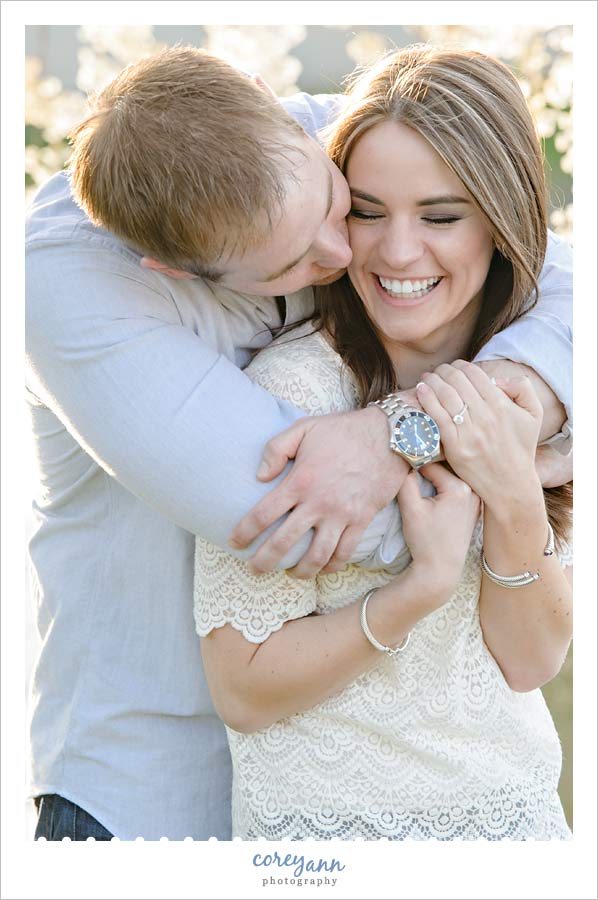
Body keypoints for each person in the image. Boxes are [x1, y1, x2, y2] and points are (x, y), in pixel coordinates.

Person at [26, 47, 572, 841]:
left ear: (269, 99)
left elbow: (550, 265)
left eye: (334, 205)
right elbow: (310, 508)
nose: (349, 255)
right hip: (143, 791)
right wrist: (506, 459)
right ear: (174, 269)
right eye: (292, 263)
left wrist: (427, 426)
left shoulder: (342, 137)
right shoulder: (64, 287)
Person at [193, 45, 573, 841]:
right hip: (329, 844)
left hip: (514, 833)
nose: (397, 253)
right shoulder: (290, 396)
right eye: (367, 212)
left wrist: (512, 496)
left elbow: (531, 663)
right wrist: (418, 590)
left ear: (502, 222)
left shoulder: (540, 393)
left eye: (440, 217)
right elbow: (244, 690)